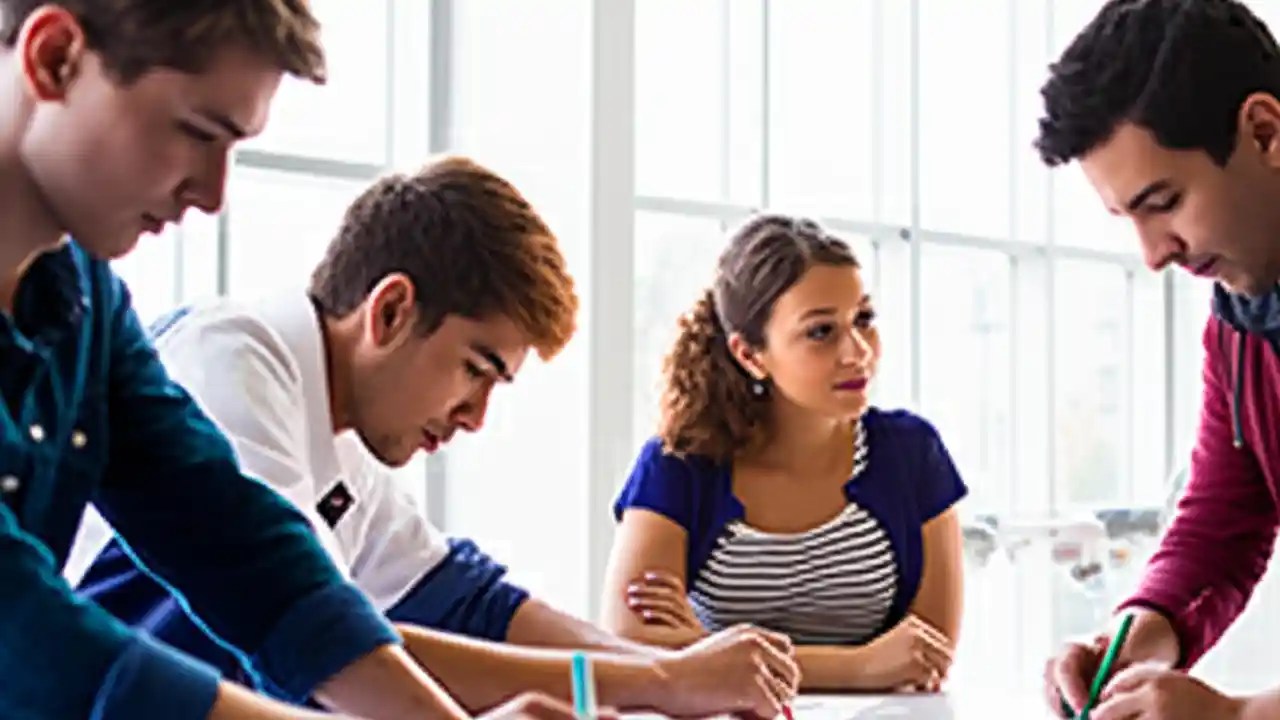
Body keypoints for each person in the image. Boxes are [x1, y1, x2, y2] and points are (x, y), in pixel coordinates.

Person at [68, 155, 801, 718]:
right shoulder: (232, 362)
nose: (475, 416)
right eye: (475, 371)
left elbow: (472, 604)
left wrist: (674, 667)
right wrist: (663, 680)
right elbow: (313, 633)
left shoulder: (343, 435)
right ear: (390, 311)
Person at [0, 2, 569, 718]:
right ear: (54, 58)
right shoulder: (231, 350)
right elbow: (34, 641)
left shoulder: (86, 298)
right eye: (196, 132)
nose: (214, 195)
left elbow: (237, 542)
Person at [599, 214, 968, 693]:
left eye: (864, 320)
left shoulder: (913, 454)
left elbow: (925, 655)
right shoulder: (679, 465)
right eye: (821, 332)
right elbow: (627, 643)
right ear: (750, 354)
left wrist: (706, 647)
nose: (857, 352)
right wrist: (856, 667)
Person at [1036, 1, 1280, 718]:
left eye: (1164, 202)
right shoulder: (1243, 317)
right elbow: (1223, 518)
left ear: (1266, 132)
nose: (1153, 254)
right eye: (1129, 218)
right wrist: (1141, 632)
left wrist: (1240, 717)